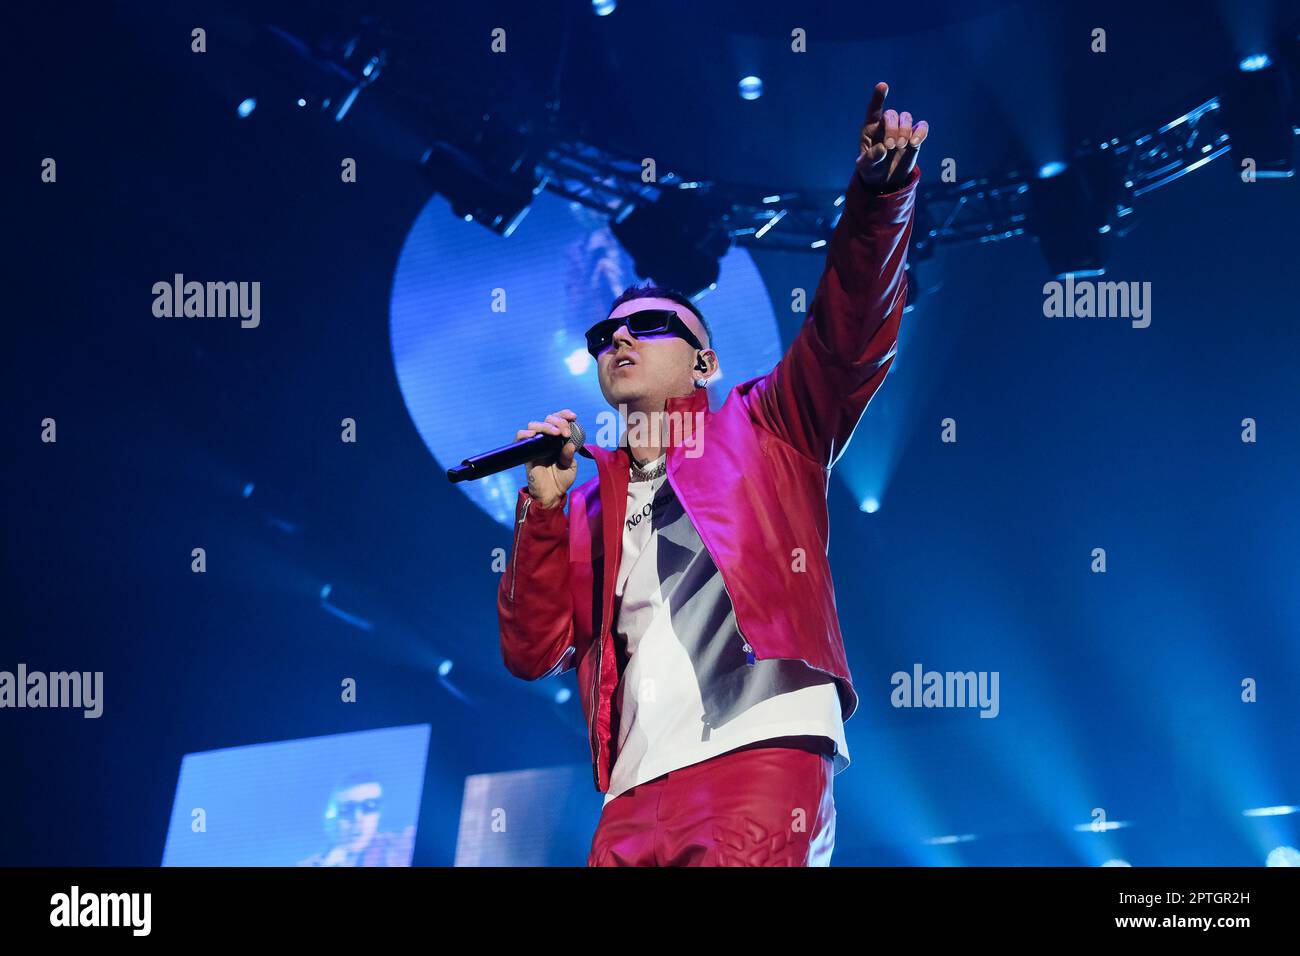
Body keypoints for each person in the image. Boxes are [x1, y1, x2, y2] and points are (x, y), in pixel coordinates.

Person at [498, 82, 927, 866]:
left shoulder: (767, 426)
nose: (620, 340)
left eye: (652, 325)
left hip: (757, 750)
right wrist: (543, 513)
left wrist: (881, 198)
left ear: (706, 360)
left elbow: (849, 330)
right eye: (606, 334)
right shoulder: (588, 497)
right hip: (629, 793)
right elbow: (534, 650)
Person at [296, 773, 415, 867]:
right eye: (346, 809)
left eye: (369, 807)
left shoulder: (402, 846)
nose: (358, 819)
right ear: (327, 816)